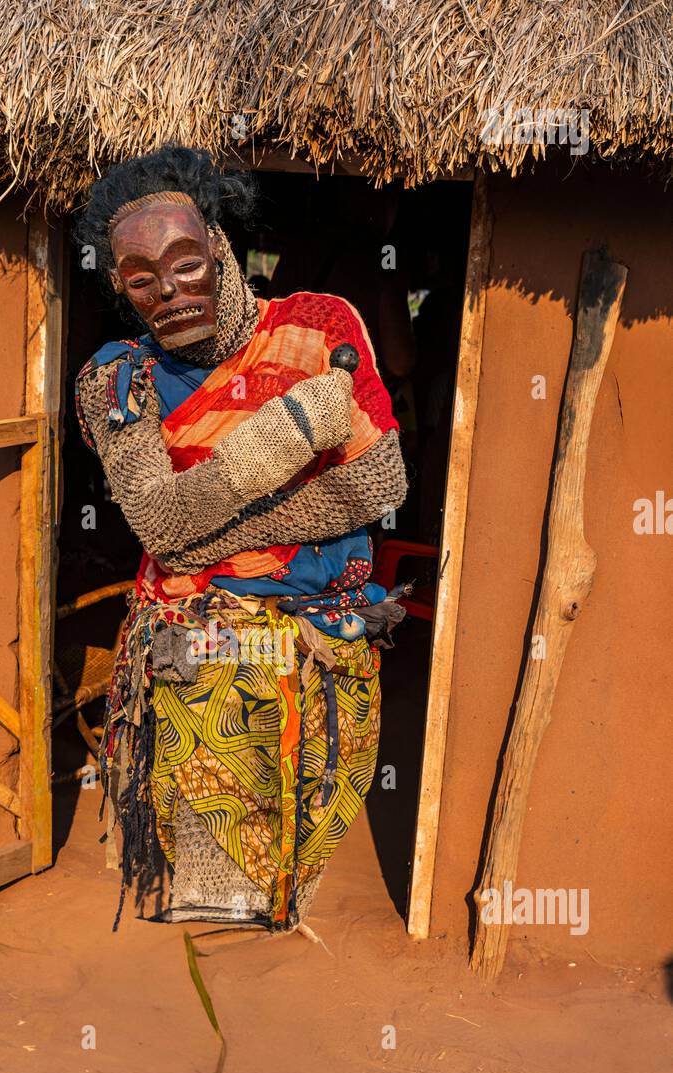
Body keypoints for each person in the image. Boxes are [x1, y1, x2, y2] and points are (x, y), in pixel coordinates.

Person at [75, 145, 408, 936]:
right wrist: (285, 436)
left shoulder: (317, 327)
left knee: (300, 855)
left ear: (221, 249)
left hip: (324, 648)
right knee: (215, 889)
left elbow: (379, 486)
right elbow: (157, 524)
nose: (167, 290)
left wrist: (211, 529)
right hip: (198, 654)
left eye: (186, 262)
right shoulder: (118, 381)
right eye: (139, 276)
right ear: (121, 287)